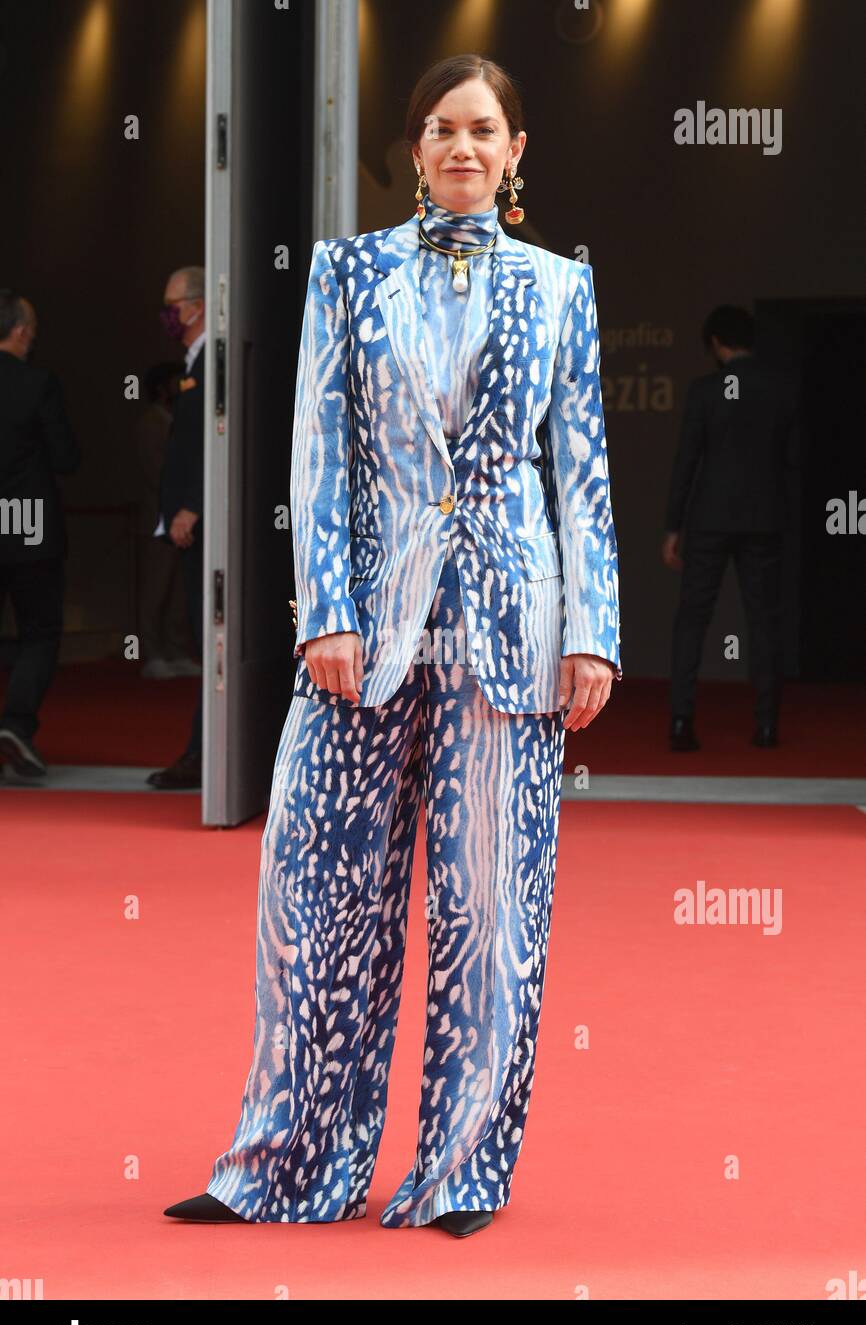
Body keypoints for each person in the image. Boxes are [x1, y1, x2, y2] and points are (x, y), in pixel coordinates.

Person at [165, 54, 621, 1237]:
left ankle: (459, 1175)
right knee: (313, 897)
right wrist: (324, 609)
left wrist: (593, 635)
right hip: (366, 633)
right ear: (410, 149)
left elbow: (580, 476)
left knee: (490, 909)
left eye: (481, 129)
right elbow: (318, 454)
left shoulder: (559, 287)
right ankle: (286, 1164)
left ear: (516, 151)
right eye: (437, 129)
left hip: (508, 631)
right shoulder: (346, 273)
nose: (459, 147)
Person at [662, 305, 799, 751]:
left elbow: (685, 461)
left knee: (693, 621)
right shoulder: (779, 388)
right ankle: (767, 726)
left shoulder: (705, 390)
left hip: (708, 520)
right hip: (763, 520)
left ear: (717, 345)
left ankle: (681, 723)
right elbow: (792, 463)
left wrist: (672, 526)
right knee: (763, 622)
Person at [0, 288, 80, 778]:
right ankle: (15, 723)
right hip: (26, 518)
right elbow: (67, 458)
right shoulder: (37, 383)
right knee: (40, 630)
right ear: (20, 331)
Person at [147, 267, 206, 790]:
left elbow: (217, 443)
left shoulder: (213, 359)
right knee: (202, 635)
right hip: (186, 525)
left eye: (174, 303)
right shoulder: (193, 362)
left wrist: (193, 506)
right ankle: (202, 751)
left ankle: (204, 754)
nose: (169, 313)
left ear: (200, 304)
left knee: (211, 640)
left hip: (203, 527)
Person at [134, 362, 197, 679]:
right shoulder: (150, 422)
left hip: (178, 516)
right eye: (175, 382)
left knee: (177, 589)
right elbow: (156, 471)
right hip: (156, 518)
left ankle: (176, 650)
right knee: (155, 588)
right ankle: (152, 653)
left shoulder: (176, 419)